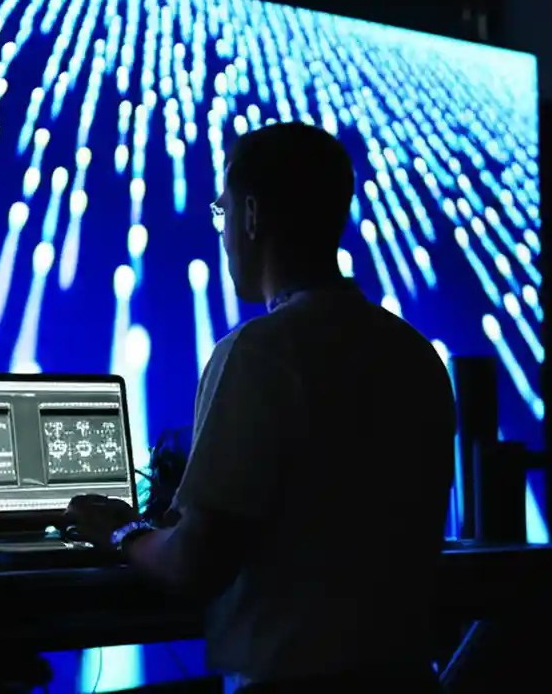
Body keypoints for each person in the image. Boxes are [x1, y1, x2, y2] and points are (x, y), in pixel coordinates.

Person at [67, 122, 457, 693]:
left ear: (251, 216)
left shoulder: (259, 352)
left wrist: (121, 532)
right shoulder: (415, 354)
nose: (224, 236)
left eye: (223, 215)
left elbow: (194, 564)